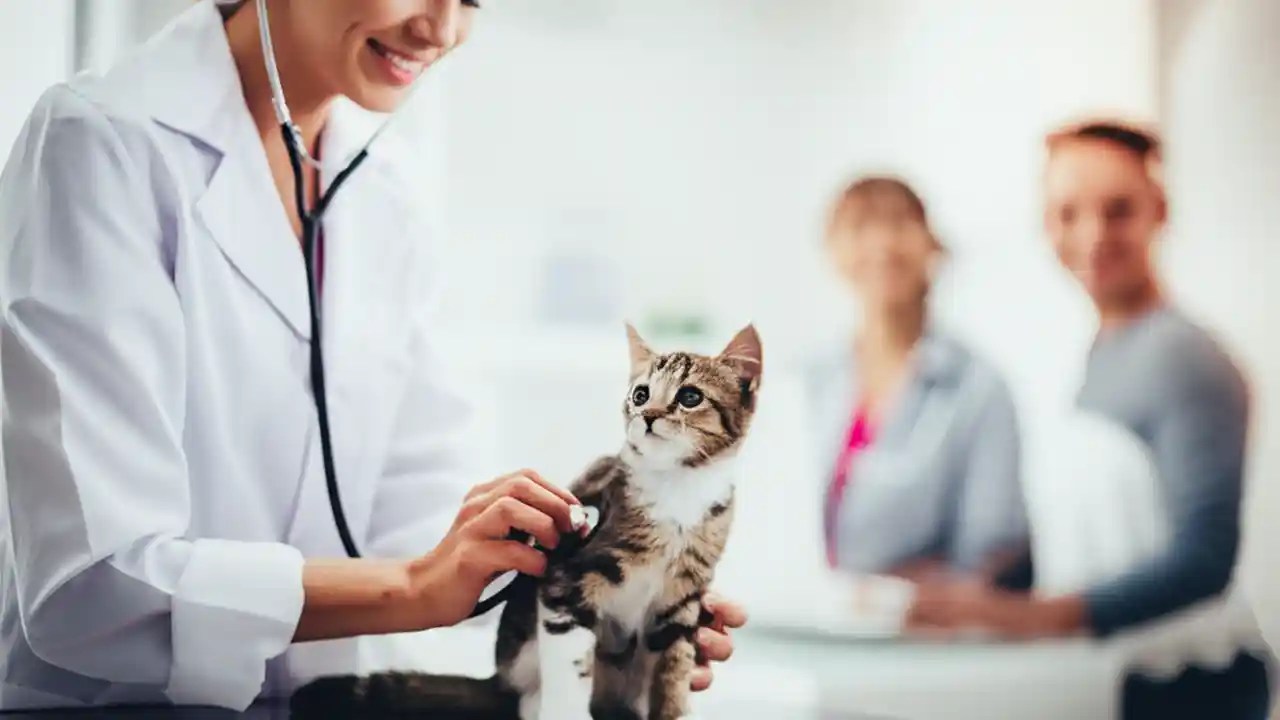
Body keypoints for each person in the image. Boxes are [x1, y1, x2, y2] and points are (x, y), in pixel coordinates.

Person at [0, 0, 744, 711]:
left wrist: (614, 589)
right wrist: (415, 586)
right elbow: (89, 589)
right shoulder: (100, 141)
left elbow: (415, 525)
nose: (443, 28)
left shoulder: (388, 194)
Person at [906, 121, 1270, 719]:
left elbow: (1204, 557)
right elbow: (1109, 532)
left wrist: (1032, 618)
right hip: (1127, 682)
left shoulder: (1185, 357)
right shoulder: (1100, 349)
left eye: (1119, 210)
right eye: (1067, 213)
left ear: (1160, 210)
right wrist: (977, 590)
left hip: (1196, 689)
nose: (1093, 234)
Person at [803, 176, 1029, 582]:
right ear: (833, 251)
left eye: (899, 223)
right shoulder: (807, 381)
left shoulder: (980, 388)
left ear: (932, 244)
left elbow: (992, 553)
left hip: (921, 634)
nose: (882, 244)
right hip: (810, 625)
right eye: (860, 227)